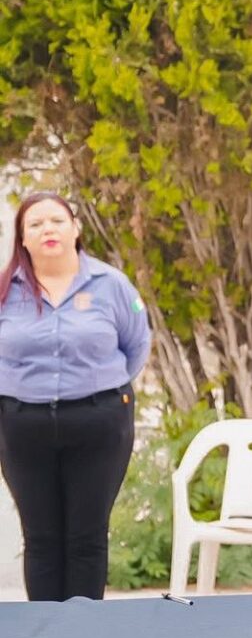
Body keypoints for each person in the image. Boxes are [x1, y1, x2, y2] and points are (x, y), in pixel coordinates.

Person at [0, 192, 149, 601]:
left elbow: (136, 346)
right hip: (21, 426)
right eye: (35, 224)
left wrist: (98, 388)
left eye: (57, 221)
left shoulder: (110, 284)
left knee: (87, 536)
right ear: (23, 239)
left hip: (98, 423)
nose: (47, 230)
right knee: (42, 538)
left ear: (75, 229)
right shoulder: (5, 289)